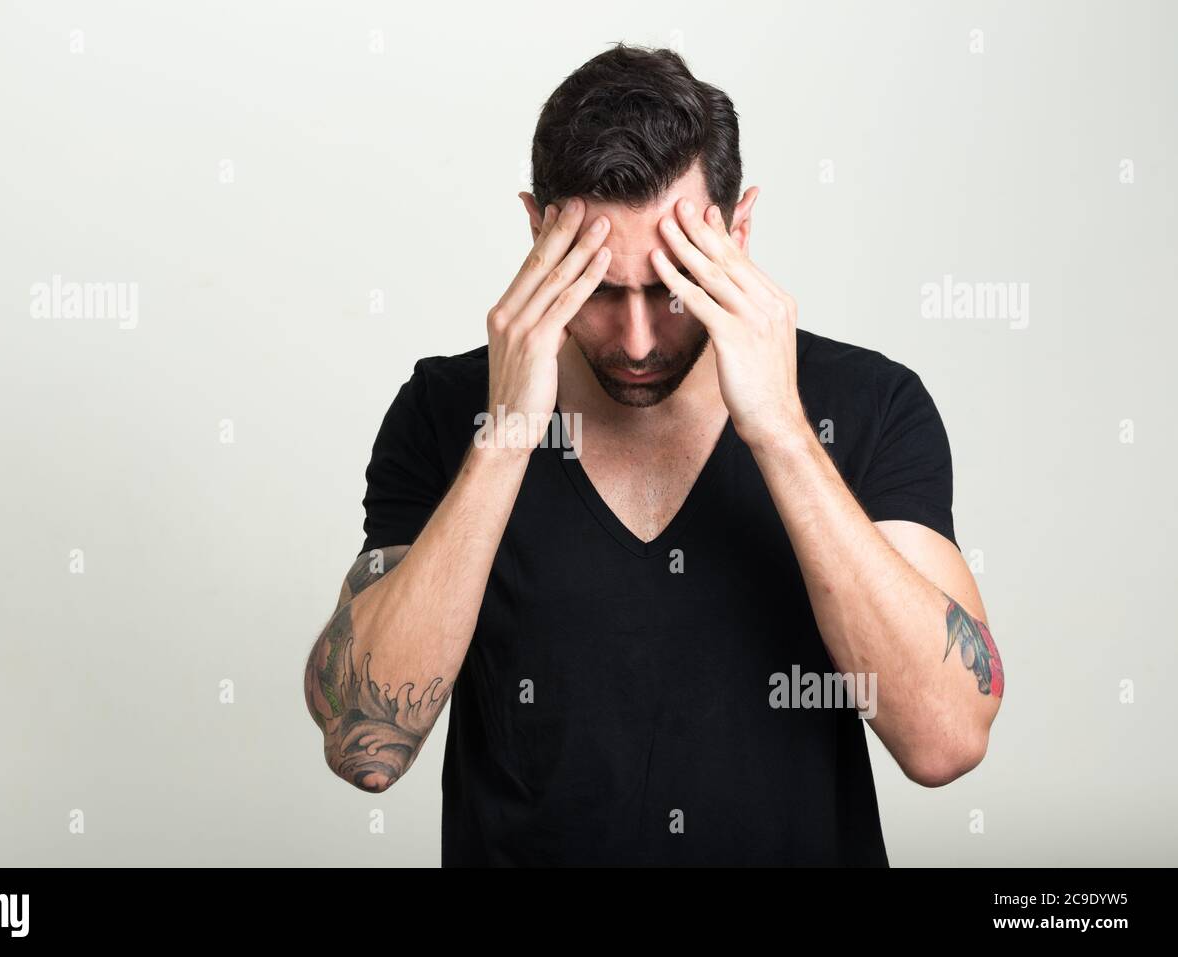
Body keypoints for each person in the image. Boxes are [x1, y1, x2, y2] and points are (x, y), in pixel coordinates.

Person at [304, 43, 1004, 866]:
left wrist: (780, 430)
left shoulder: (870, 405)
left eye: (672, 288)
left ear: (738, 230)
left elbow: (946, 739)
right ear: (537, 234)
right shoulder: (441, 411)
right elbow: (364, 750)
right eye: (600, 290)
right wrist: (504, 440)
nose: (637, 340)